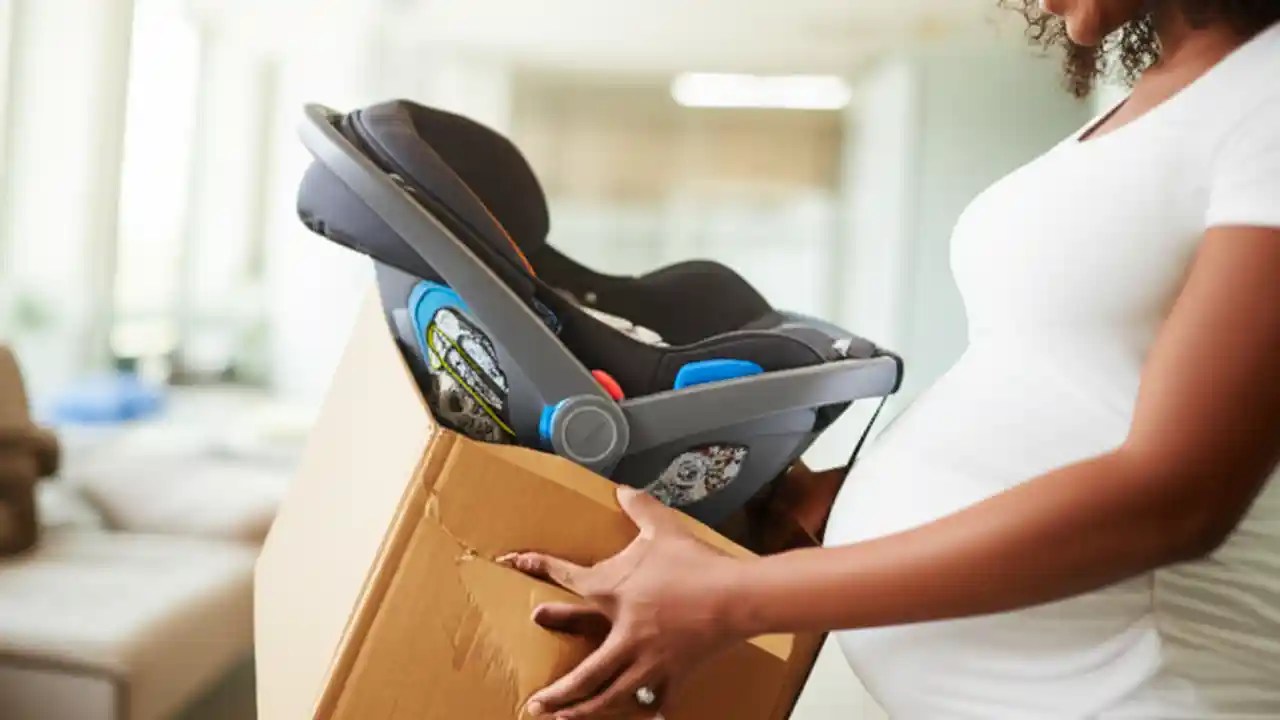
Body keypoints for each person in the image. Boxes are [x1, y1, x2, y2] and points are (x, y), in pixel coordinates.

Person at [502, 1, 1280, 717]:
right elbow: (1068, 385)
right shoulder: (1176, 92)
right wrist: (848, 502)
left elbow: (1178, 496)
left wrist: (737, 597)